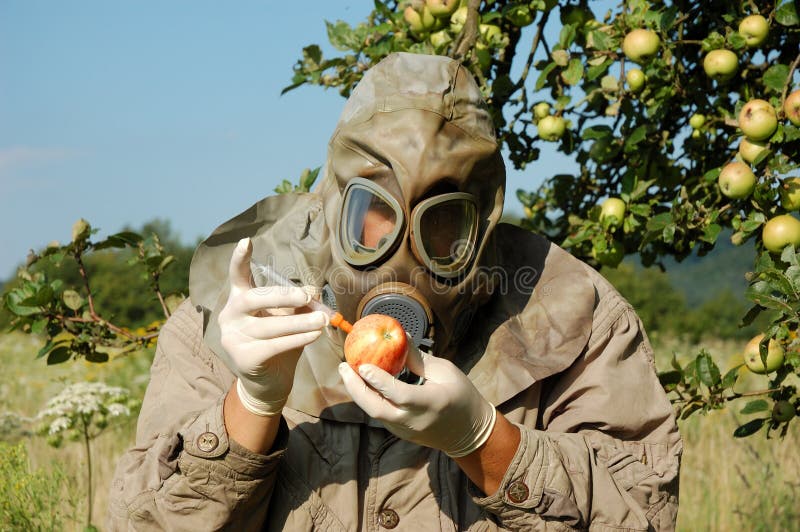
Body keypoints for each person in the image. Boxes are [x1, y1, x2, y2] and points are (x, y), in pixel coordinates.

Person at [108, 52, 681, 531]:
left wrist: (484, 440)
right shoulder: (239, 314)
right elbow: (144, 521)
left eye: (443, 226)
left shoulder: (570, 322)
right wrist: (252, 406)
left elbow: (639, 511)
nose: (401, 258)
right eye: (372, 214)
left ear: (482, 228)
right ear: (332, 203)